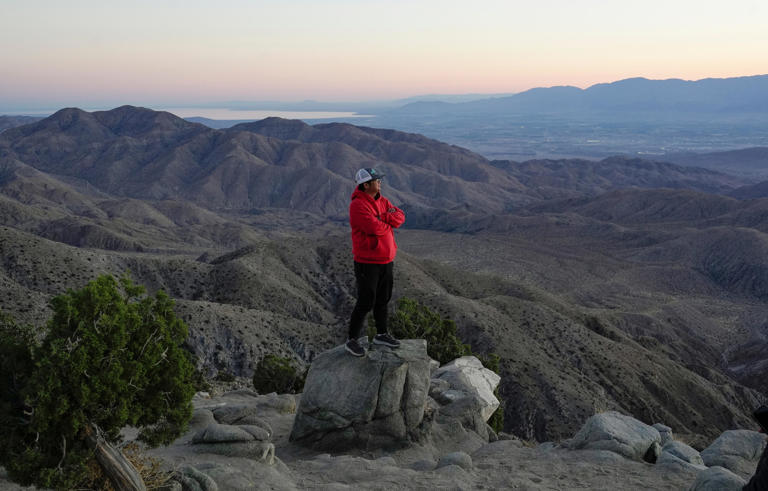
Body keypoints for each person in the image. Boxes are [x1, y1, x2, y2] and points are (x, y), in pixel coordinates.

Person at [346, 167, 405, 357]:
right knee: (365, 301)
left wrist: (383, 217)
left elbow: (400, 217)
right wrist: (386, 221)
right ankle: (352, 340)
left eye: (379, 180)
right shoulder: (357, 205)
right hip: (367, 262)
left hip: (386, 260)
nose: (380, 183)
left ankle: (381, 334)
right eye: (376, 180)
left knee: (383, 299)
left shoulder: (382, 200)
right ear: (366, 184)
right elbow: (374, 228)